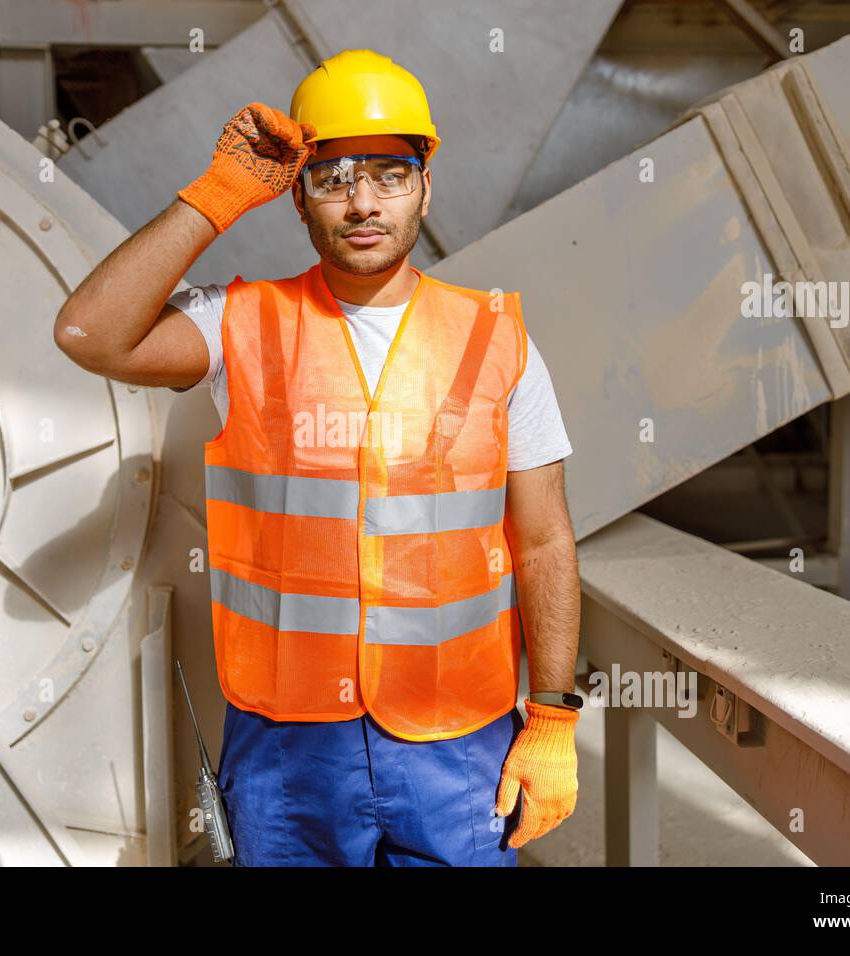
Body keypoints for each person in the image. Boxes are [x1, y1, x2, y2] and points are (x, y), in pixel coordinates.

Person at [54, 49, 583, 866]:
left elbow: (543, 541)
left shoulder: (496, 336)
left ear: (425, 188)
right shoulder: (239, 324)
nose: (363, 203)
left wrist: (552, 719)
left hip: (458, 739)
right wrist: (218, 196)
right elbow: (89, 333)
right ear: (297, 197)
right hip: (288, 746)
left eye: (389, 174)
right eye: (333, 178)